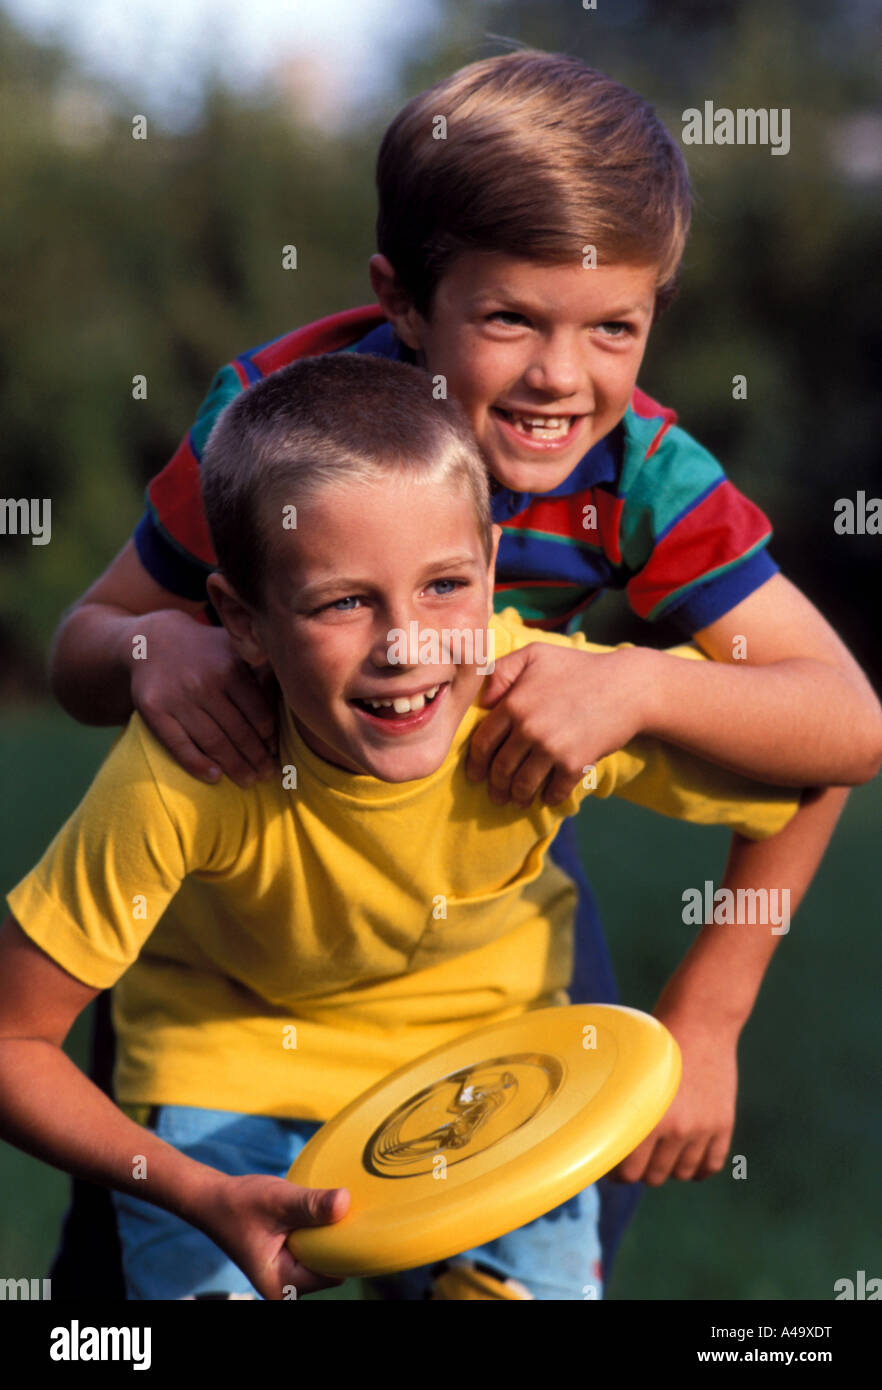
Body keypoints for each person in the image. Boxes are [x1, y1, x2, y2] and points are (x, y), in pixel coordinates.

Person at [45, 50, 882, 1291]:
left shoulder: (641, 470)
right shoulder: (280, 428)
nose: (562, 376)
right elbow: (82, 648)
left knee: (556, 1195)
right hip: (258, 856)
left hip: (496, 808)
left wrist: (706, 1005)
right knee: (139, 1240)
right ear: (403, 298)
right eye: (509, 320)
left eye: (616, 327)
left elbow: (842, 726)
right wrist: (151, 640)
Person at [2, 353, 824, 1300]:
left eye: (445, 587)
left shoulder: (542, 701)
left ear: (491, 569)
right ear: (244, 621)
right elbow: (13, 1041)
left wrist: (711, 1018)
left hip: (496, 1065)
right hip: (226, 1076)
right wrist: (199, 1191)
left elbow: (812, 769)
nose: (408, 647)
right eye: (344, 602)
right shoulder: (187, 767)